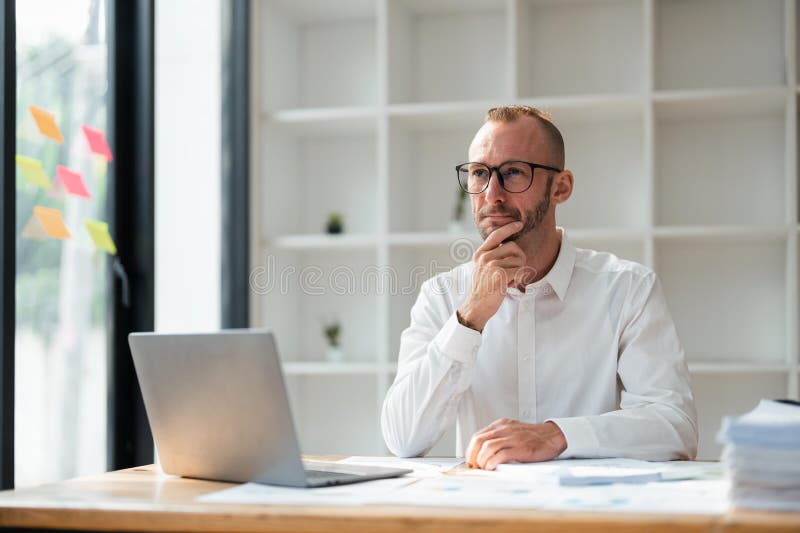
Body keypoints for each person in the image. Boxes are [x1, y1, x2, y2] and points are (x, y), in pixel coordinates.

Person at [381, 105, 697, 469]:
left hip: (587, 504)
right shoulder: (442, 296)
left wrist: (555, 436)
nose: (492, 194)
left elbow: (676, 426)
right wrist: (469, 318)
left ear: (560, 187)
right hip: (481, 504)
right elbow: (402, 439)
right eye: (479, 173)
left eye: (513, 172)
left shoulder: (628, 289)